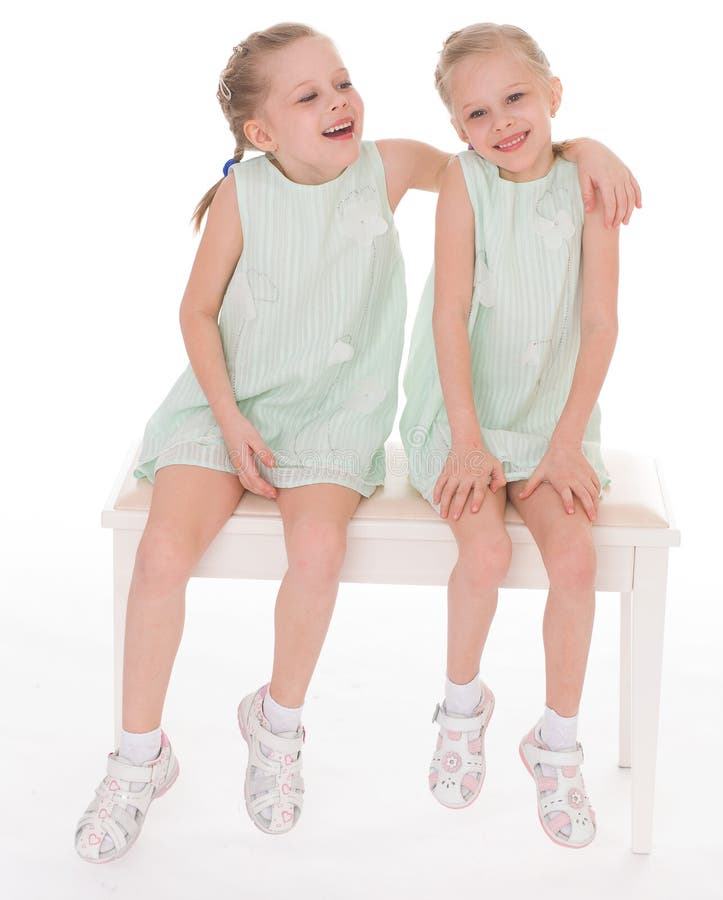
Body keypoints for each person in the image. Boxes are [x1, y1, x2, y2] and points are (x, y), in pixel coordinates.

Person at [74, 22, 636, 862]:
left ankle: (277, 729)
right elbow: (194, 313)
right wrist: (227, 422)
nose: (339, 101)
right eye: (309, 96)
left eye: (340, 81)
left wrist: (588, 145)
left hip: (334, 416)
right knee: (160, 555)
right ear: (261, 134)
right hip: (225, 408)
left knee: (317, 552)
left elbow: (501, 162)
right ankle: (136, 760)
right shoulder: (244, 194)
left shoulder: (393, 165)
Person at [400, 23, 622, 849]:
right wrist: (465, 439)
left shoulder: (589, 188)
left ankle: (554, 744)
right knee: (485, 552)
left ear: (552, 95)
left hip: (549, 417)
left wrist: (565, 443)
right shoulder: (465, 184)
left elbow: (599, 322)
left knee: (575, 559)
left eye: (516, 98)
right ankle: (462, 710)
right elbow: (449, 315)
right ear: (459, 130)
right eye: (477, 113)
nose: (501, 123)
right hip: (459, 415)